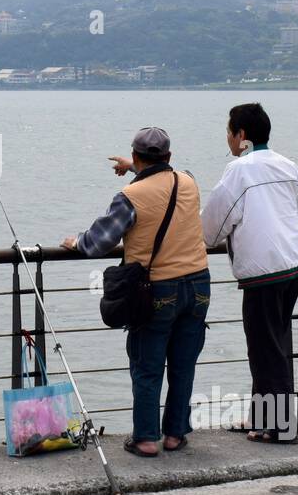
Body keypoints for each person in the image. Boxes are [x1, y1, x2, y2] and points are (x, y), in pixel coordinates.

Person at [61, 127, 210, 456]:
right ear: (169, 157)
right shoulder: (189, 181)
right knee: (184, 364)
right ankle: (175, 434)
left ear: (138, 156)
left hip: (157, 288)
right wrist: (136, 166)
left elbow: (99, 243)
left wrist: (76, 242)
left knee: (147, 364)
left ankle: (145, 438)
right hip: (198, 284)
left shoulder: (130, 196)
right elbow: (164, 180)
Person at [201, 103, 298, 443]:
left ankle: (281, 428)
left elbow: (213, 227)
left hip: (262, 273)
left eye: (229, 132)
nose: (228, 138)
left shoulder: (239, 171)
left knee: (265, 349)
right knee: (275, 342)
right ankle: (263, 419)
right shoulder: (288, 165)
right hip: (293, 264)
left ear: (241, 136)